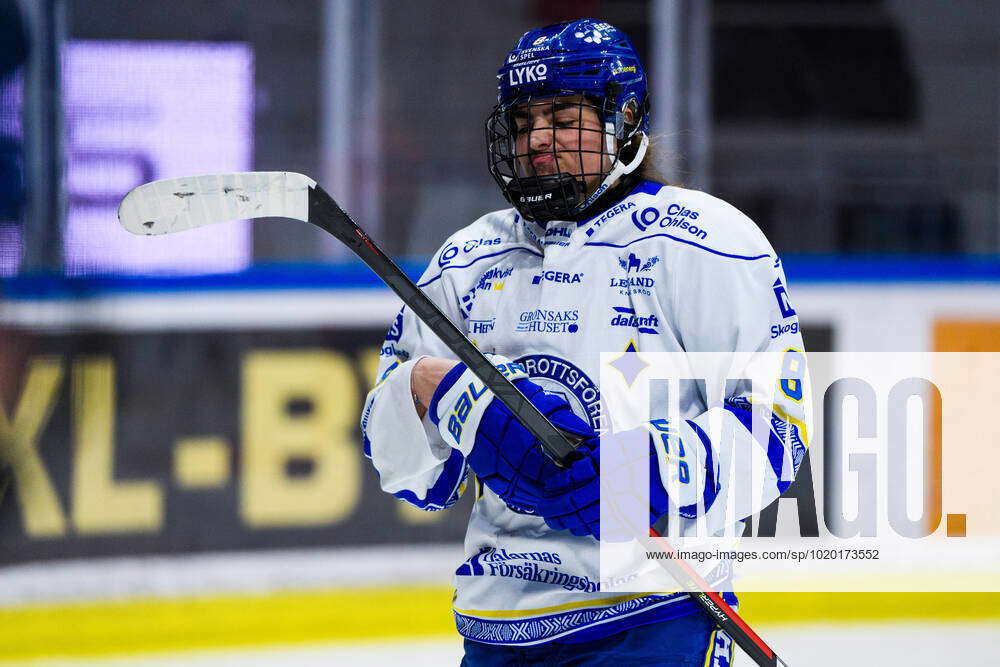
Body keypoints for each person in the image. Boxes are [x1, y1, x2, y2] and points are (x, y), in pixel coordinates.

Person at [361, 18, 808, 665]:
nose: (537, 138)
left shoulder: (707, 242)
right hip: (499, 631)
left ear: (624, 118)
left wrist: (640, 474)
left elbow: (780, 428)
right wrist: (438, 393)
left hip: (656, 617)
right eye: (522, 121)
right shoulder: (465, 261)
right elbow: (401, 466)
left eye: (563, 116)